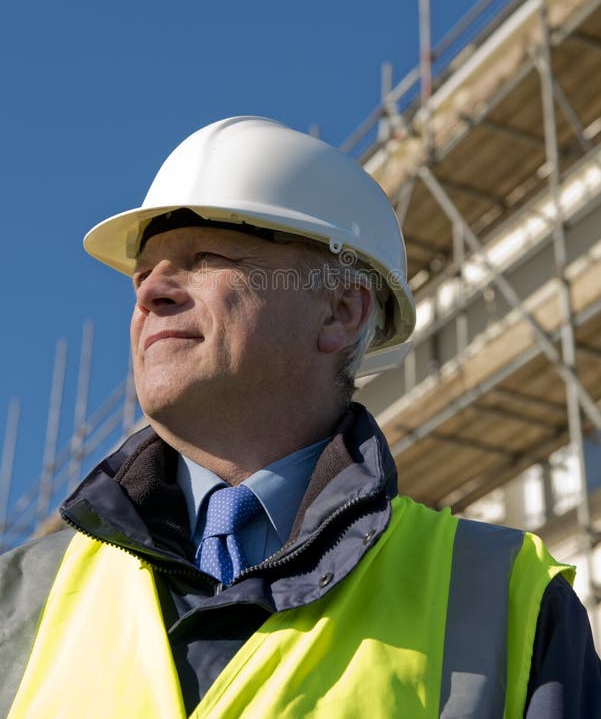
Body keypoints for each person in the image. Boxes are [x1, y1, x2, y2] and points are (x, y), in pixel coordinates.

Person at [1, 115, 599, 718]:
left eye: (203, 256)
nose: (150, 293)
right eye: (143, 274)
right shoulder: (17, 603)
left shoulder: (502, 599)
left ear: (340, 310)